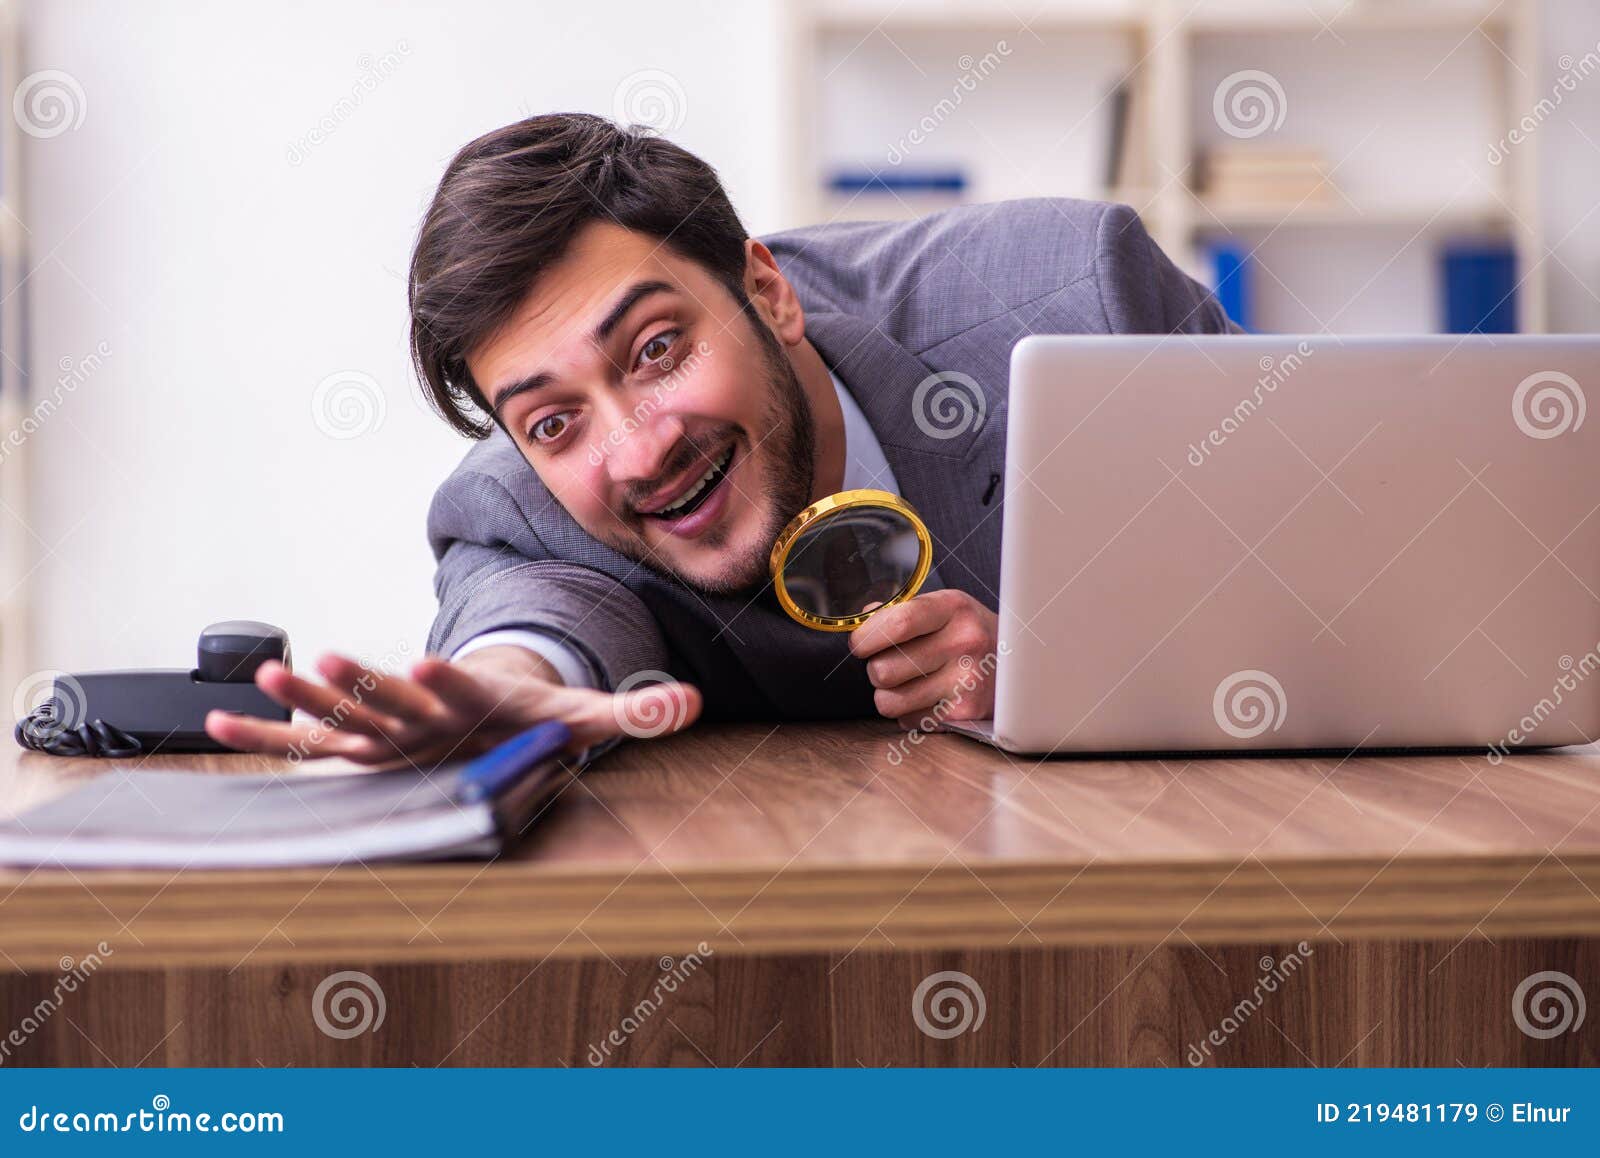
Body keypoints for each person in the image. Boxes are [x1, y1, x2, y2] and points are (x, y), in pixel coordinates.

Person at [206, 113, 1236, 765]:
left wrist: (1077, 676)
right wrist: (508, 695)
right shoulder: (520, 508)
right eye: (553, 422)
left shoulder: (1079, 301)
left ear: (766, 292)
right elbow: (529, 623)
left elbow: (1320, 589)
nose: (638, 452)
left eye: (656, 350)